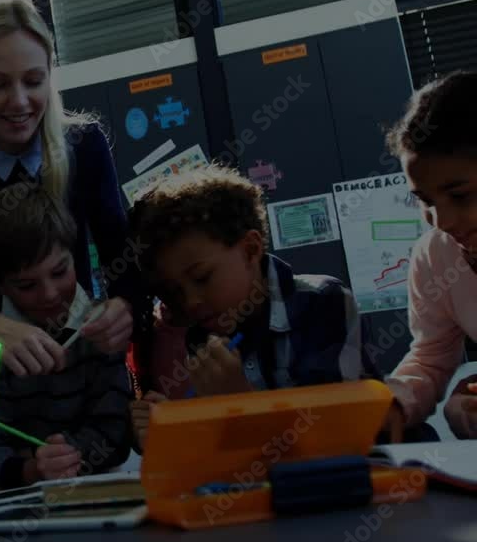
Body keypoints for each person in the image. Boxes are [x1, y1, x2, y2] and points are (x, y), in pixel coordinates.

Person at [0, 0, 140, 377]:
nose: (19, 101)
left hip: (82, 368)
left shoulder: (85, 147)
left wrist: (126, 305)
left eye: (33, 81)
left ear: (50, 75)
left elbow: (123, 257)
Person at [126, 166, 367, 451]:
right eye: (173, 292)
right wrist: (177, 431)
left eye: (202, 277)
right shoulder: (197, 333)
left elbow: (337, 438)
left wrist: (240, 402)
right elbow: (227, 459)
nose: (189, 301)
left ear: (250, 250)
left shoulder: (323, 302)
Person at [0, 184, 132, 492]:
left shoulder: (102, 327)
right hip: (16, 506)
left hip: (97, 495)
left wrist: (60, 457)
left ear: (74, 256)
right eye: (27, 285)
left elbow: (116, 434)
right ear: (1, 287)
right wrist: (30, 469)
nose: (50, 294)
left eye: (59, 271)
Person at [384, 71, 477, 441]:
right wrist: (392, 404)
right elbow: (431, 357)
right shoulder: (436, 257)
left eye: (460, 195)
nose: (442, 221)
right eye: (425, 200)